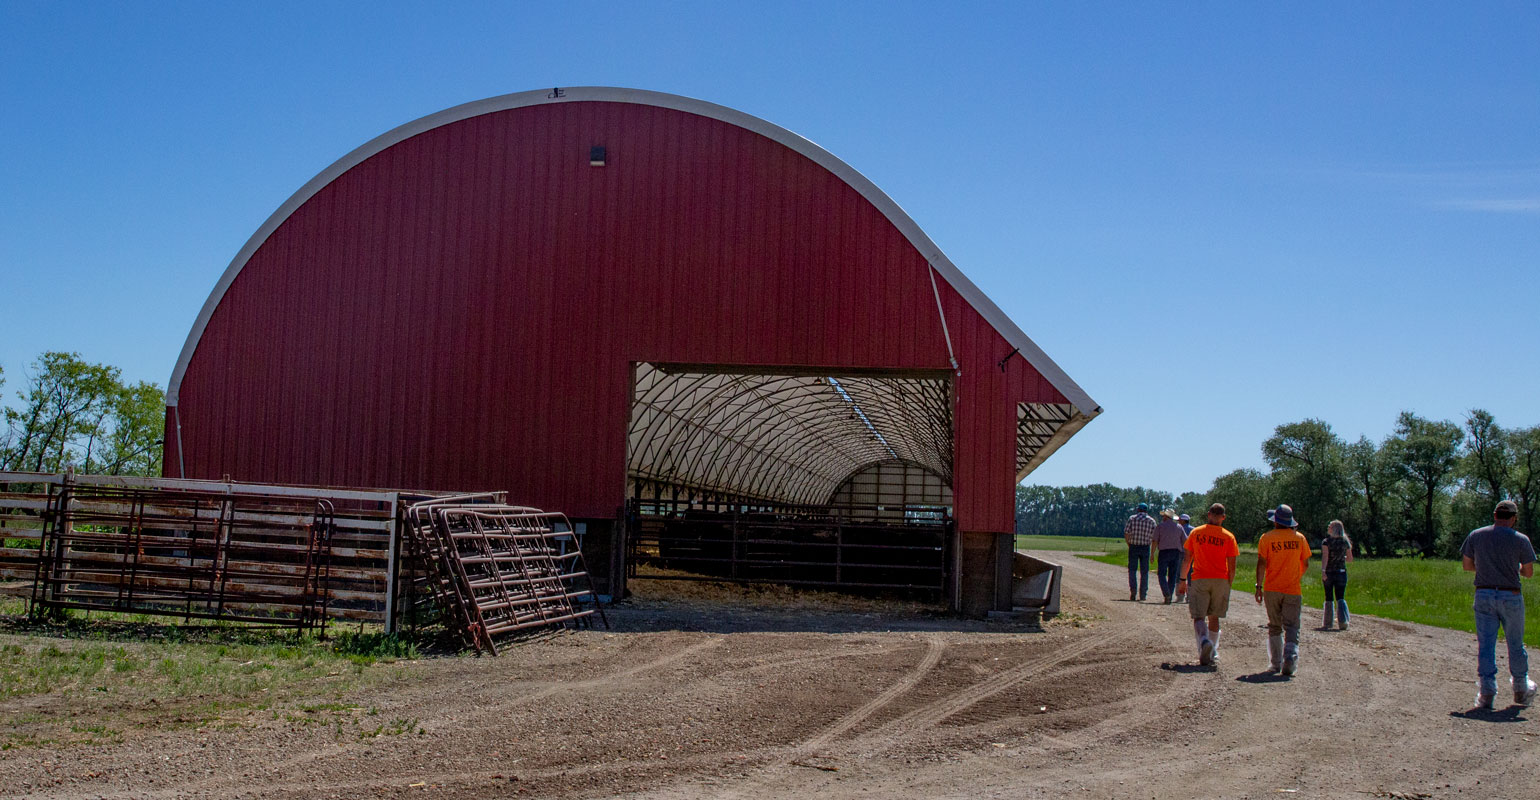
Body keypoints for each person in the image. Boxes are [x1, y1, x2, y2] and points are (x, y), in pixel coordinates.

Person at [1461, 499, 1537, 709]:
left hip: (1484, 593)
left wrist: (1487, 568)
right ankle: (1520, 688)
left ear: (1495, 515)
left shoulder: (1476, 536)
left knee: (1486, 645)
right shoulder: (1521, 539)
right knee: (1515, 643)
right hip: (1510, 595)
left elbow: (1467, 566)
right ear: (1513, 518)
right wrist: (1516, 569)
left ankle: (1486, 693)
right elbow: (1528, 572)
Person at [1176, 503, 1239, 666]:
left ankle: (1204, 641)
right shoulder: (1229, 537)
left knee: (1198, 616)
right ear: (1223, 518)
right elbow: (1232, 565)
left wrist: (1182, 580)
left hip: (1200, 579)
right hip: (1221, 580)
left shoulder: (1196, 533)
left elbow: (1187, 559)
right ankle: (1213, 651)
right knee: (1214, 616)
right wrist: (1228, 584)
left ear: (1209, 514)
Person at [1255, 504, 1311, 675]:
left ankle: (1275, 663)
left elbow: (1262, 563)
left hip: (1272, 588)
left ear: (1276, 522)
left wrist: (1259, 586)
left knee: (1275, 626)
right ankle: (1290, 656)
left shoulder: (1266, 538)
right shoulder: (1299, 538)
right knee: (1292, 626)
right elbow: (1306, 563)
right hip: (1293, 589)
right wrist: (1295, 575)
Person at [1321, 520, 1353, 630]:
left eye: (1330, 526)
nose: (1328, 528)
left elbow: (1325, 557)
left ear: (1333, 528)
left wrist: (1323, 571)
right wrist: (1341, 558)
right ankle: (1343, 621)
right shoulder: (1345, 542)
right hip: (1341, 572)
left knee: (1328, 597)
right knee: (1340, 597)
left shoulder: (1326, 542)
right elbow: (1350, 559)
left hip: (1329, 572)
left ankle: (1327, 623)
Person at [1123, 502, 1157, 601]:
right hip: (1145, 547)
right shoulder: (1151, 521)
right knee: (1144, 572)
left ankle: (1133, 590)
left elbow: (1126, 532)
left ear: (1138, 509)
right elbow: (1154, 536)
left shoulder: (1132, 518)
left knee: (1132, 570)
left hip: (1134, 546)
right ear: (1146, 510)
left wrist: (1129, 543)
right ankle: (1143, 594)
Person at [1152, 509, 1186, 604]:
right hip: (1176, 552)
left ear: (1166, 517)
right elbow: (1185, 540)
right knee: (1172, 575)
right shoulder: (1179, 527)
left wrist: (1152, 554)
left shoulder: (1160, 526)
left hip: (1164, 552)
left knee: (1161, 574)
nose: (1163, 518)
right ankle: (1169, 595)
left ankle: (1166, 593)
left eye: (1163, 516)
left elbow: (1155, 540)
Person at [1174, 513, 1193, 603]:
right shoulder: (1193, 530)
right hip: (1192, 554)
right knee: (1190, 575)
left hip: (1181, 553)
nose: (1179, 522)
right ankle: (1190, 597)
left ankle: (1180, 595)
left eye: (1180, 520)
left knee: (1179, 574)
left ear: (1183, 520)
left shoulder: (1179, 529)